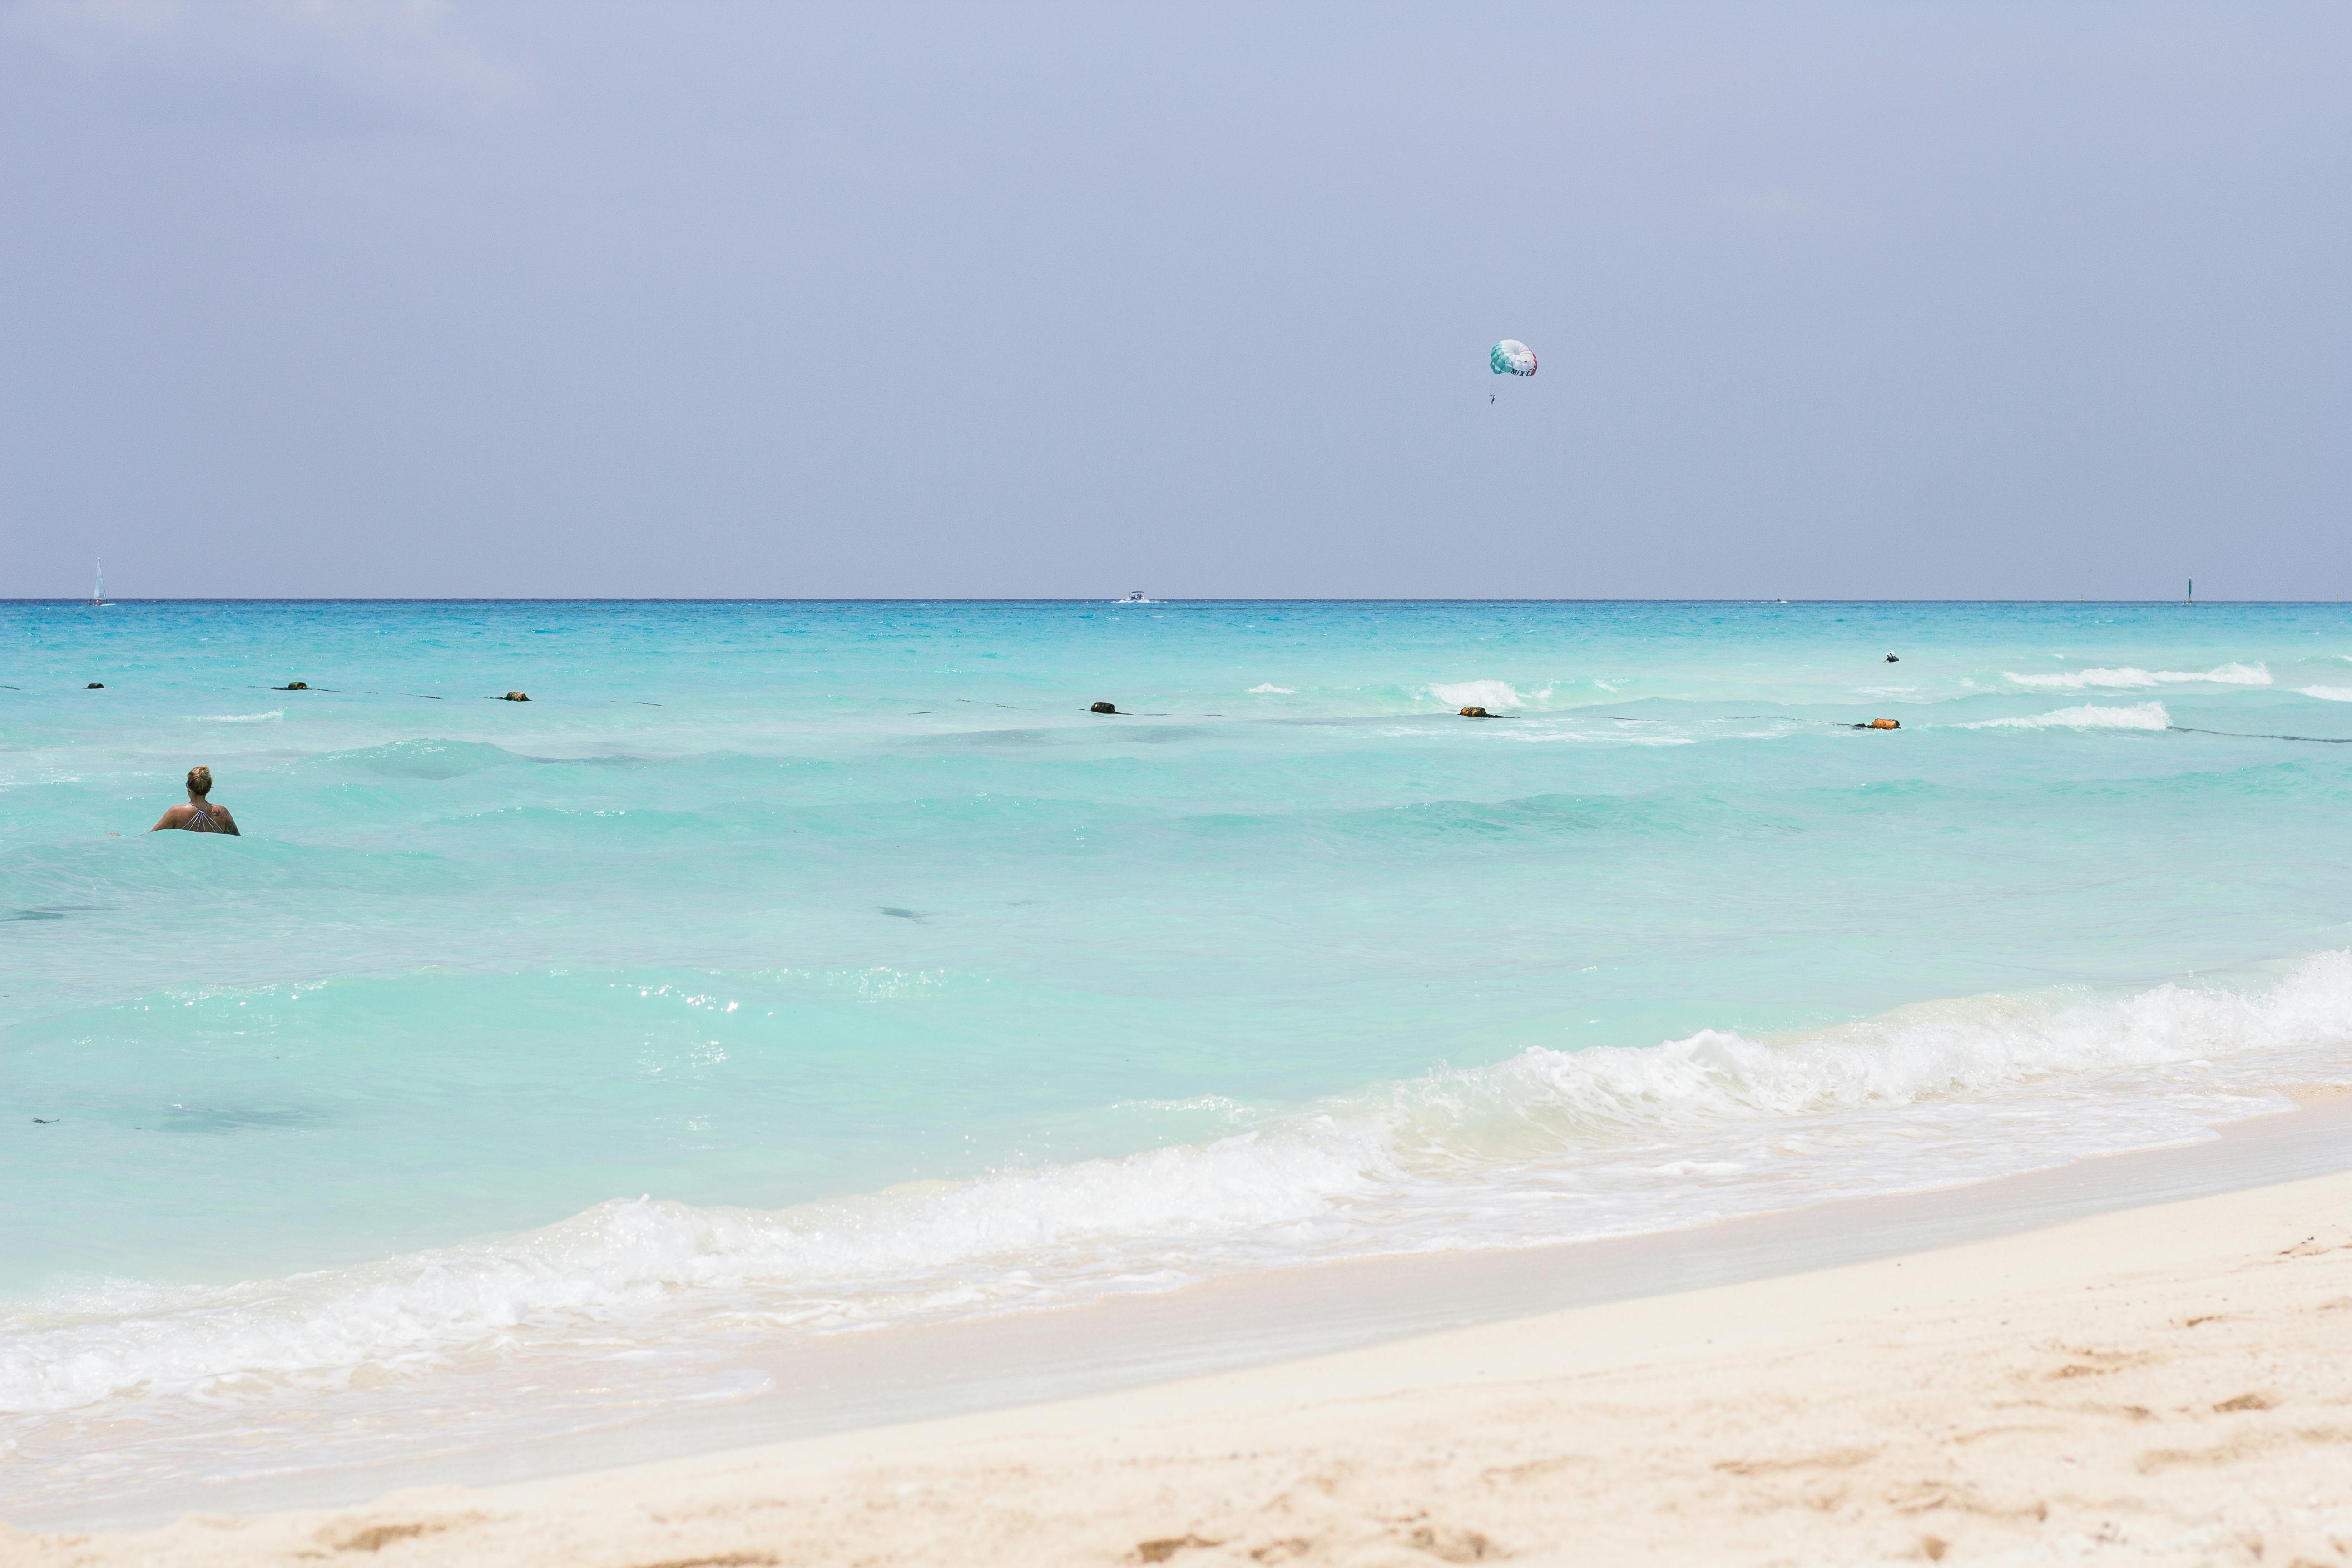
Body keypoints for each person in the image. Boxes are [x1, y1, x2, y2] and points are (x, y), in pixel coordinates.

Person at [150, 765, 241, 836]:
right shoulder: (223, 813)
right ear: (209, 789)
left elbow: (150, 837)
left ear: (189, 787)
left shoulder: (176, 813)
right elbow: (238, 841)